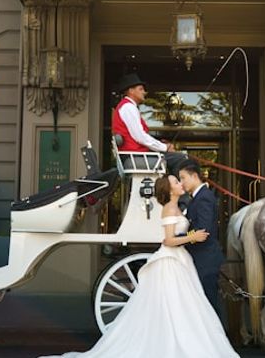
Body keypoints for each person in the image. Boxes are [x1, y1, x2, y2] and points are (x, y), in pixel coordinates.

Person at [39, 175, 240, 358]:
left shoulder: (178, 207)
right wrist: (192, 237)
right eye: (176, 182)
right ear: (170, 190)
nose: (181, 183)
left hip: (181, 260)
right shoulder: (170, 208)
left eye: (179, 180)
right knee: (177, 304)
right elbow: (168, 240)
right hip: (171, 260)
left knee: (184, 305)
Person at [178, 160, 225, 315]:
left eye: (183, 178)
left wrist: (179, 238)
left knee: (208, 304)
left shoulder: (203, 197)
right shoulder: (198, 197)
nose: (182, 182)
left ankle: (216, 338)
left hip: (205, 258)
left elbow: (202, 231)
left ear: (195, 176)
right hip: (202, 257)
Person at [110, 73, 169, 153]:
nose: (144, 92)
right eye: (141, 89)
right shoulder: (128, 107)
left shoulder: (127, 106)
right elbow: (140, 136)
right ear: (131, 91)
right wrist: (165, 147)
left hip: (137, 154)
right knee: (183, 159)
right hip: (136, 154)